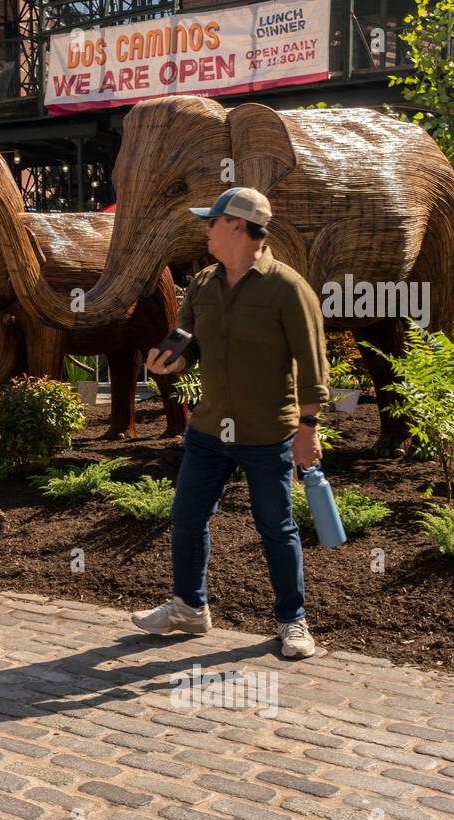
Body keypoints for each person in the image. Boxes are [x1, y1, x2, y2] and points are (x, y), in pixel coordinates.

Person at [135, 186, 330, 659]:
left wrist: (309, 428)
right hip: (208, 430)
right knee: (186, 517)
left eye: (213, 222)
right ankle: (189, 607)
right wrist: (173, 364)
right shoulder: (202, 284)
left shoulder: (287, 288)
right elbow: (191, 345)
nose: (206, 230)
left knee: (275, 527)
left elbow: (313, 360)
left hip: (268, 433)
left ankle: (293, 622)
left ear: (238, 227)